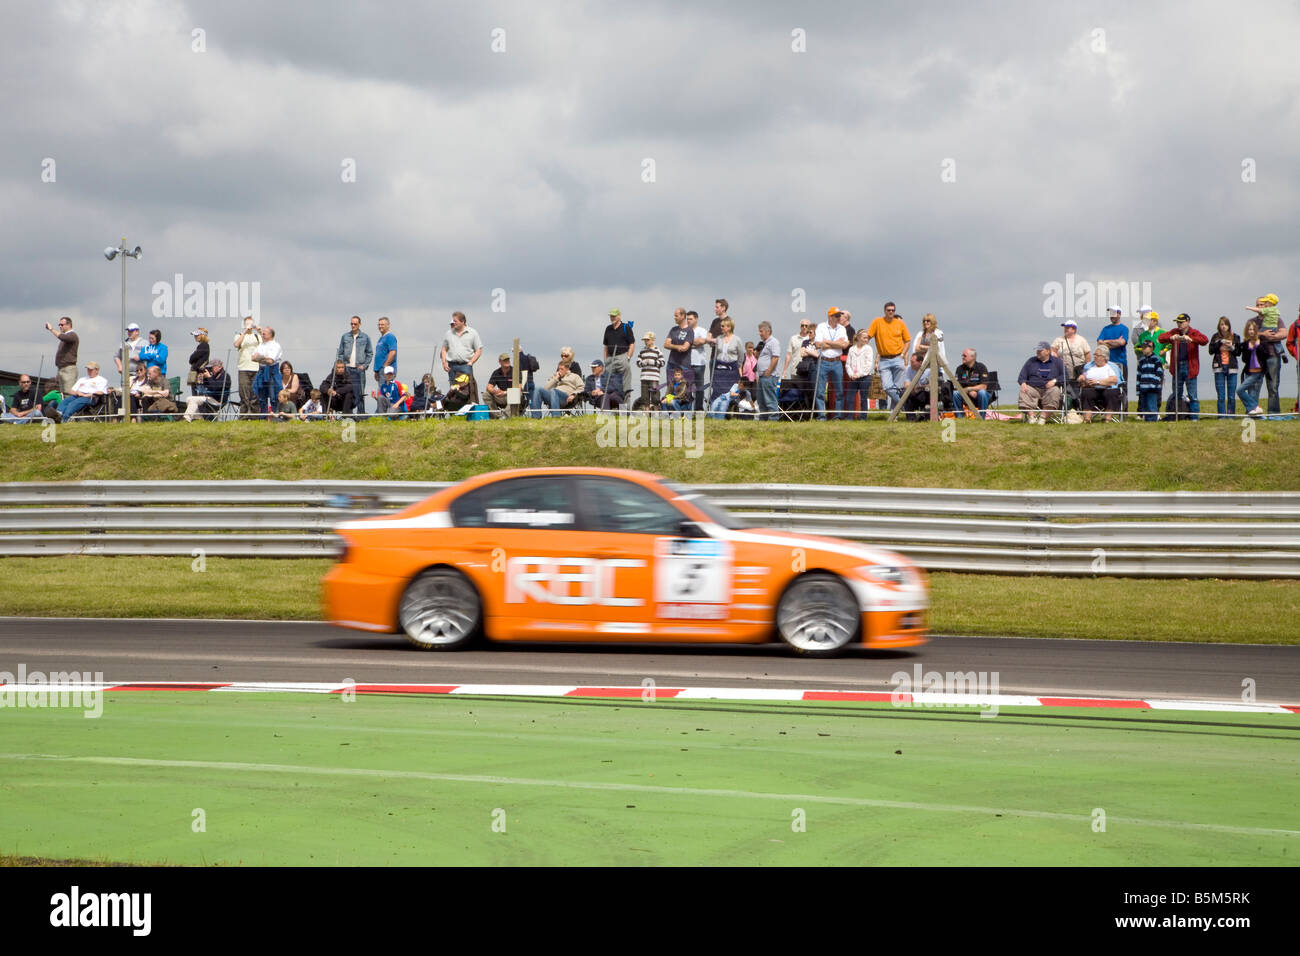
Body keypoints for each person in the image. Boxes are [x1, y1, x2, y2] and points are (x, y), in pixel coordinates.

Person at [1157, 313, 1208, 421]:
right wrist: (1171, 337)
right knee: (1176, 394)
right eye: (1177, 322)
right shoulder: (1175, 332)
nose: (1179, 324)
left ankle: (1194, 418)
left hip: (1190, 368)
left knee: (1192, 395)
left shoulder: (1194, 332)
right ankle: (1176, 416)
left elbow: (1205, 340)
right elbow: (1161, 338)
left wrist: (1191, 339)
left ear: (1188, 322)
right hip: (1177, 367)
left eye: (1181, 322)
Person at [865, 302, 911, 409]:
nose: (891, 312)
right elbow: (868, 336)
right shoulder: (877, 322)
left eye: (893, 310)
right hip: (884, 359)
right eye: (888, 310)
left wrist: (903, 354)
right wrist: (860, 345)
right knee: (887, 387)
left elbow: (908, 341)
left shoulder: (900, 323)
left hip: (898, 357)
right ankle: (904, 406)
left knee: (897, 388)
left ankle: (893, 414)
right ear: (884, 311)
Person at [1246, 294, 1286, 415]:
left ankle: (1273, 413)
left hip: (1273, 355)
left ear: (1267, 305)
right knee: (1255, 386)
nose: (1259, 306)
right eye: (1258, 304)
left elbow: (1284, 333)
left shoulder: (1276, 319)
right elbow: (1247, 336)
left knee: (1273, 385)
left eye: (1262, 304)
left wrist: (1271, 336)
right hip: (1256, 357)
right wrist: (1263, 334)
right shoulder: (1251, 321)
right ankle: (1254, 412)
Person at [812, 307, 850, 420]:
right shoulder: (821, 327)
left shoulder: (842, 328)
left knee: (839, 391)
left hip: (837, 362)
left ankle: (837, 416)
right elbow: (818, 344)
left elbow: (844, 345)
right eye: (837, 316)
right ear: (830, 317)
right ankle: (821, 416)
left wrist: (827, 341)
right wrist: (837, 343)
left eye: (840, 316)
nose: (839, 318)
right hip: (823, 361)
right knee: (820, 391)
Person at [1017, 341, 1064, 424]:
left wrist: (1054, 381)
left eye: (1040, 350)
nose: (1037, 352)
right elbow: (1022, 376)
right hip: (1034, 389)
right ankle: (1032, 417)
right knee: (1024, 390)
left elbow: (1065, 376)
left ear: (1048, 351)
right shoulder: (1031, 361)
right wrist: (1023, 383)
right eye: (1037, 350)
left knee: (1055, 391)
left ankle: (1043, 417)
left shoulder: (1057, 362)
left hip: (1050, 389)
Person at [440, 311, 482, 404]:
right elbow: (444, 349)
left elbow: (479, 350)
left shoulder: (472, 333)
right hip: (452, 366)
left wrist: (471, 362)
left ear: (462, 321)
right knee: (453, 389)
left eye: (455, 321)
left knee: (468, 389)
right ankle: (454, 411)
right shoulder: (448, 333)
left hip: (465, 365)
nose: (453, 323)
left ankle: (469, 410)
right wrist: (444, 362)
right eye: (453, 321)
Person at [1051, 320, 1091, 411]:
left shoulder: (1081, 340)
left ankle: (1079, 408)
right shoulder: (1059, 340)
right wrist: (1058, 360)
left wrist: (1086, 370)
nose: (1065, 329)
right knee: (1066, 390)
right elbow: (1052, 351)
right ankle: (1066, 409)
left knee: (1078, 390)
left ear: (1074, 329)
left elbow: (1087, 355)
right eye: (1065, 327)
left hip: (1079, 370)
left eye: (1067, 328)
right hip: (1063, 371)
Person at [336, 315, 373, 414]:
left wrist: (364, 366)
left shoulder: (365, 337)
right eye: (351, 324)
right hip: (347, 369)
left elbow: (369, 353)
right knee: (348, 392)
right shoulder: (345, 337)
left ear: (360, 324)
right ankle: (348, 414)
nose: (353, 325)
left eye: (355, 324)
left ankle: (361, 415)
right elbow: (340, 353)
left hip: (359, 369)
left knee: (360, 393)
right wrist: (342, 366)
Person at [1235, 319, 1272, 416]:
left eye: (1252, 329)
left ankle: (1254, 409)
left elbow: (1266, 355)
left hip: (1258, 373)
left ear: (1255, 331)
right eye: (1249, 329)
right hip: (1248, 372)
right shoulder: (1246, 343)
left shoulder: (1262, 341)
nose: (1251, 331)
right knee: (1251, 395)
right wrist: (1247, 349)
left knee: (1240, 390)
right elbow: (1244, 359)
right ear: (1247, 331)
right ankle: (1254, 412)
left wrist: (1258, 346)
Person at [1077, 345, 1122, 423]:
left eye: (1097, 355)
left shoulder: (1110, 367)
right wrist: (1082, 379)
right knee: (1086, 392)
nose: (1094, 357)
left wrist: (1098, 382)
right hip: (1092, 388)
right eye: (1094, 355)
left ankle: (1107, 418)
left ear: (1104, 357)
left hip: (1108, 388)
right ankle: (1087, 418)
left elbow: (1114, 380)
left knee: (1111, 393)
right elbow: (1083, 376)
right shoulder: (1090, 367)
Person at [1095, 308, 1130, 403]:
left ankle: (1123, 412)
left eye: (1114, 313)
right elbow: (1099, 343)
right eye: (1110, 314)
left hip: (1120, 363)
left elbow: (1122, 342)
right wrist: (1115, 342)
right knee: (1105, 386)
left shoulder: (1124, 328)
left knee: (1122, 386)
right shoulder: (1105, 329)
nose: (1111, 316)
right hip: (1106, 364)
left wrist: (1106, 342)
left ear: (1119, 314)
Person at [1208, 317, 1240, 418]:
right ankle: (1221, 416)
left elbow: (1238, 352)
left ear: (1229, 325)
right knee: (1221, 395)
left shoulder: (1235, 337)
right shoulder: (1215, 337)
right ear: (1219, 326)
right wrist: (1220, 342)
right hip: (1219, 367)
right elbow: (1211, 350)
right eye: (1221, 324)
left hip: (1232, 368)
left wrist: (1231, 346)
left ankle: (1230, 416)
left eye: (1225, 324)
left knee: (1231, 395)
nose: (1223, 326)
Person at [844, 328, 877, 420]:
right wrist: (851, 374)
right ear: (858, 337)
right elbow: (848, 364)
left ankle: (863, 417)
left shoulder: (868, 349)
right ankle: (849, 417)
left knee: (863, 398)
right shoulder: (851, 349)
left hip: (865, 377)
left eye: (867, 338)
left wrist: (858, 375)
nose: (866, 340)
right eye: (864, 338)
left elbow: (868, 365)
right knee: (849, 397)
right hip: (853, 378)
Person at [251, 326, 283, 415]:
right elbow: (252, 358)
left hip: (272, 372)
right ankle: (263, 417)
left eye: (264, 332)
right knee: (262, 397)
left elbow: (270, 361)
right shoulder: (261, 345)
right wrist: (264, 358)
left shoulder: (275, 345)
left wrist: (260, 358)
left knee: (273, 397)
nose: (262, 334)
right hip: (261, 371)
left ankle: (275, 416)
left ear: (270, 334)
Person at [711, 317, 743, 403]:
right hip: (719, 370)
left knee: (730, 391)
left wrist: (739, 366)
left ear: (729, 327)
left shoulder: (737, 340)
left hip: (731, 370)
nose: (721, 328)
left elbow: (741, 356)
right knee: (717, 392)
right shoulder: (719, 339)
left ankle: (729, 411)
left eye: (723, 326)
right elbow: (716, 353)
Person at [233, 316, 261, 416]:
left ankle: (254, 415)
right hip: (243, 368)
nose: (249, 326)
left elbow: (266, 343)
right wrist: (244, 332)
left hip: (256, 368)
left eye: (251, 324)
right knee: (244, 393)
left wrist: (259, 330)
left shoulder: (257, 337)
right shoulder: (239, 335)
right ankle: (244, 415)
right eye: (247, 324)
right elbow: (236, 344)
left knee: (255, 393)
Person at [603, 308, 636, 393]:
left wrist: (628, 357)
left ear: (619, 316)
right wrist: (605, 360)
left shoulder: (626, 327)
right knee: (608, 384)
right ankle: (610, 406)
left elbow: (632, 344)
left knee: (625, 385)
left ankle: (624, 406)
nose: (612, 318)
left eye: (614, 316)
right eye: (611, 316)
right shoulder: (608, 328)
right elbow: (605, 346)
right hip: (610, 359)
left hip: (622, 357)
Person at [44, 316, 79, 395]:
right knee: (62, 394)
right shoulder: (67, 336)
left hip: (69, 369)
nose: (60, 326)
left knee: (69, 393)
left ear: (69, 325)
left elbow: (62, 337)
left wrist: (51, 329)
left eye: (62, 325)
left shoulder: (72, 335)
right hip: (62, 369)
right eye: (59, 325)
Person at [686, 311, 712, 411]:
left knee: (699, 388)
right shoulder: (684, 330)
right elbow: (682, 343)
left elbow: (702, 341)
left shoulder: (701, 330)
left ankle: (698, 410)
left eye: (691, 319)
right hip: (687, 363)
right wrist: (694, 343)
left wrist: (688, 344)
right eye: (687, 319)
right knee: (686, 388)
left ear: (696, 319)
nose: (688, 321)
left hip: (699, 364)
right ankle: (687, 410)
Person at [755, 321, 781, 421]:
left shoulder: (774, 342)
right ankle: (763, 422)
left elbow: (776, 357)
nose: (760, 333)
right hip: (762, 376)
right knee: (761, 401)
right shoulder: (764, 344)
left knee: (770, 400)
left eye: (761, 331)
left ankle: (773, 421)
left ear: (767, 331)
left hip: (769, 376)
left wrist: (768, 371)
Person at [953, 348, 991, 417]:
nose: (962, 357)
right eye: (962, 356)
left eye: (964, 356)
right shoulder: (959, 369)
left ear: (972, 357)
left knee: (982, 392)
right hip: (965, 394)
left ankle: (981, 418)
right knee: (955, 393)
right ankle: (960, 418)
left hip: (980, 395)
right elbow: (957, 386)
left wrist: (969, 389)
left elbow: (983, 386)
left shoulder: (981, 367)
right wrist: (968, 391)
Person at [901, 351, 936, 421]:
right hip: (913, 391)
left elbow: (932, 385)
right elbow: (906, 384)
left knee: (925, 394)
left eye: (913, 362)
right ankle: (911, 418)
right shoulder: (909, 369)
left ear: (920, 362)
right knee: (904, 393)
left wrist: (920, 387)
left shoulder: (929, 370)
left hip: (924, 392)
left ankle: (925, 416)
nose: (911, 364)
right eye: (910, 361)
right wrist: (913, 388)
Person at [1135, 340, 1164, 422]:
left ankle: (1153, 420)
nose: (1143, 349)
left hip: (1152, 389)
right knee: (1145, 406)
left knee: (1152, 406)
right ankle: (1147, 420)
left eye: (1145, 347)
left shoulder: (1156, 359)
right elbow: (1139, 375)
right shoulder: (1141, 360)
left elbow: (1159, 373)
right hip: (1143, 389)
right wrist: (1138, 389)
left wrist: (1153, 384)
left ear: (1151, 348)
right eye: (1142, 348)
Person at [636, 331, 664, 408]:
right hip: (644, 378)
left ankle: (655, 416)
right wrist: (644, 362)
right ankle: (647, 417)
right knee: (645, 399)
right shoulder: (642, 351)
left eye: (647, 340)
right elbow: (638, 363)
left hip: (654, 378)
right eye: (645, 340)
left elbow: (662, 363)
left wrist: (652, 362)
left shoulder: (657, 350)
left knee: (655, 399)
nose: (645, 342)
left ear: (652, 340)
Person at [373, 316, 397, 388]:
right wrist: (376, 371)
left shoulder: (390, 336)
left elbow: (392, 352)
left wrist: (385, 366)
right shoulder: (381, 338)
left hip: (387, 370)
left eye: (382, 324)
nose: (380, 326)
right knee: (381, 391)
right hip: (380, 370)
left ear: (388, 325)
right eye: (379, 325)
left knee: (385, 393)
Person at [186, 329, 210, 393]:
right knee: (197, 392)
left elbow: (193, 358)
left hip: (199, 373)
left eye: (197, 335)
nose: (195, 337)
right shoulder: (202, 345)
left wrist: (192, 358)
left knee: (198, 394)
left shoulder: (204, 345)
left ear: (202, 335)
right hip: (197, 372)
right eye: (195, 335)